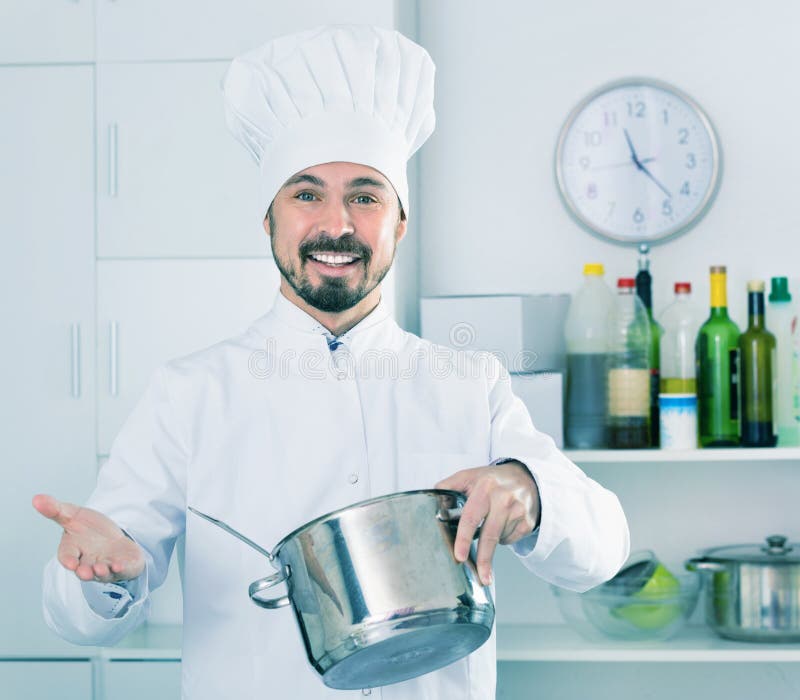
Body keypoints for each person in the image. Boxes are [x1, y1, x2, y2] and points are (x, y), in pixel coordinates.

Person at [34, 25, 629, 699]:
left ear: (400, 223)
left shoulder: (470, 383)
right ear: (269, 219)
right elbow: (76, 618)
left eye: (366, 196)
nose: (337, 225)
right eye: (306, 193)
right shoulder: (190, 393)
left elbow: (603, 549)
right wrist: (100, 574)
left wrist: (532, 490)